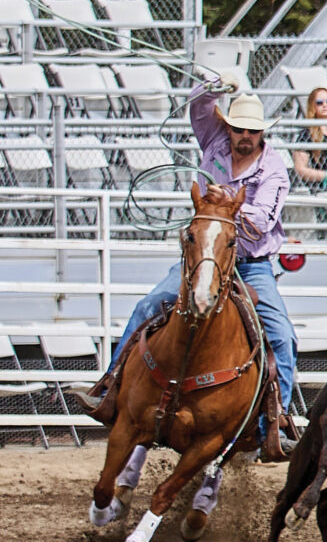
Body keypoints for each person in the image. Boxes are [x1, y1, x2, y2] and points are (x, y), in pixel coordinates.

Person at [87, 77, 297, 471]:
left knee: (282, 335)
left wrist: (224, 206)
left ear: (262, 134)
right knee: (150, 304)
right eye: (239, 129)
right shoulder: (214, 139)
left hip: (249, 264)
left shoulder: (273, 170)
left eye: (252, 131)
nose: (245, 136)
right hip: (201, 257)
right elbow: (199, 105)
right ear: (230, 128)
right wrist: (216, 84)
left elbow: (264, 220)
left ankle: (275, 422)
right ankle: (111, 388)